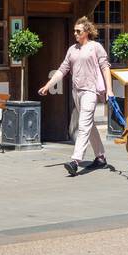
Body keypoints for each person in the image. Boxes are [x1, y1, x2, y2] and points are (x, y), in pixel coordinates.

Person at [39, 15, 114, 176]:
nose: (75, 33)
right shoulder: (72, 50)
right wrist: (48, 85)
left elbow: (105, 68)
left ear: (86, 31)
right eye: (74, 31)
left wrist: (110, 89)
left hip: (90, 91)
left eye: (78, 31)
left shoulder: (95, 47)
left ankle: (75, 160)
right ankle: (100, 157)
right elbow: (62, 70)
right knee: (89, 123)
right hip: (77, 91)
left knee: (83, 123)